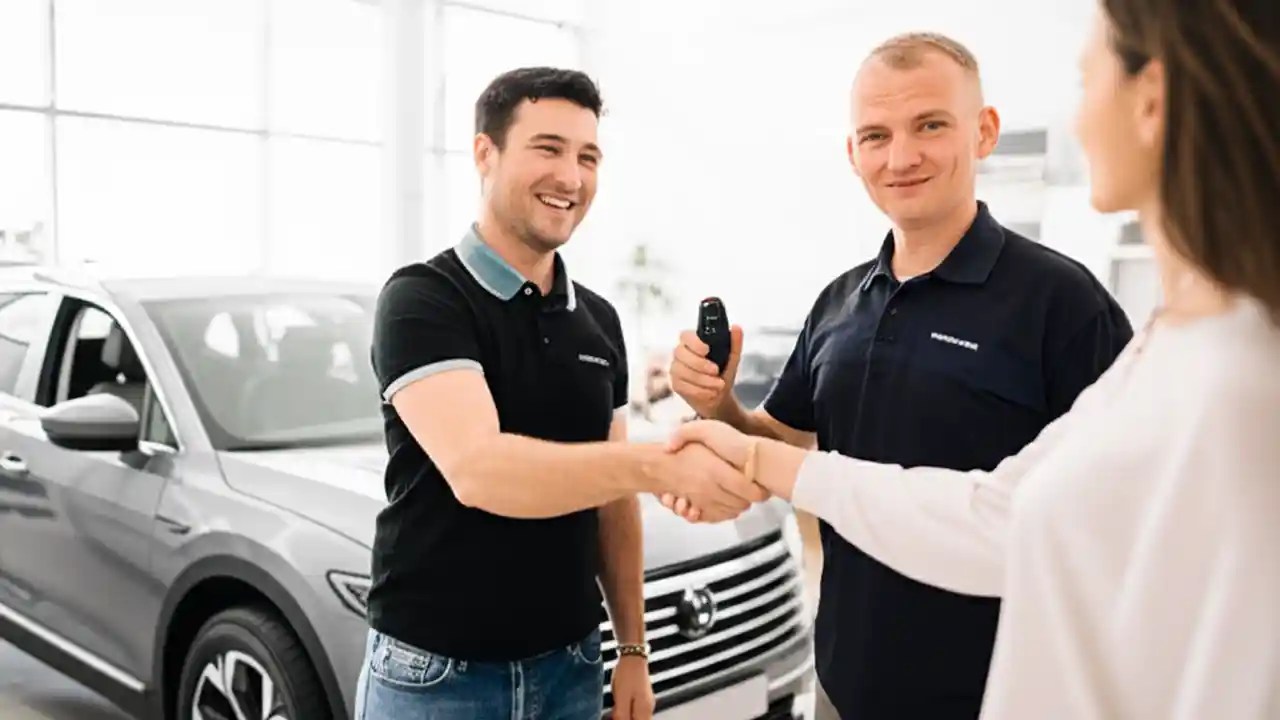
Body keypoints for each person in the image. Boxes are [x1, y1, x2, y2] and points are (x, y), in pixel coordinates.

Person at [667, 1, 1280, 717]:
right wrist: (720, 416)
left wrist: (747, 463)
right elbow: (989, 511)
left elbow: (1002, 526)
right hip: (845, 681)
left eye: (930, 125)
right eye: (876, 135)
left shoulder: (1086, 311)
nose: (901, 156)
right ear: (853, 152)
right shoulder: (838, 303)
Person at [356, 67, 767, 720]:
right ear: (484, 154)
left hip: (571, 665)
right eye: (548, 148)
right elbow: (479, 470)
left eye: (588, 157)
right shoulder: (423, 300)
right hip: (438, 676)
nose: (571, 178)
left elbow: (612, 506)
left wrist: (633, 650)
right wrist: (661, 463)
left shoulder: (599, 321)